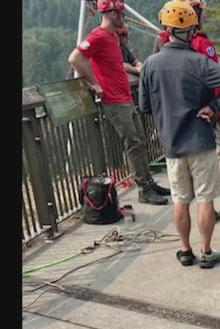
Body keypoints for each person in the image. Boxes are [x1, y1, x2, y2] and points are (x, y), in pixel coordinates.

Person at [140, 0, 220, 268]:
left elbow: (144, 106)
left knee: (180, 200)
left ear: (166, 28)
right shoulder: (199, 61)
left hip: (171, 142)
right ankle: (206, 251)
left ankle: (185, 250)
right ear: (192, 29)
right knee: (205, 199)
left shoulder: (150, 64)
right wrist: (213, 107)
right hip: (201, 140)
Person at [68, 0, 171, 206]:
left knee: (140, 141)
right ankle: (144, 188)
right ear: (112, 13)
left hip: (124, 96)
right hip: (113, 100)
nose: (123, 16)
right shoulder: (97, 36)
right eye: (121, 12)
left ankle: (149, 182)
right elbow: (75, 58)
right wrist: (95, 84)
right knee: (133, 143)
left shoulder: (113, 36)